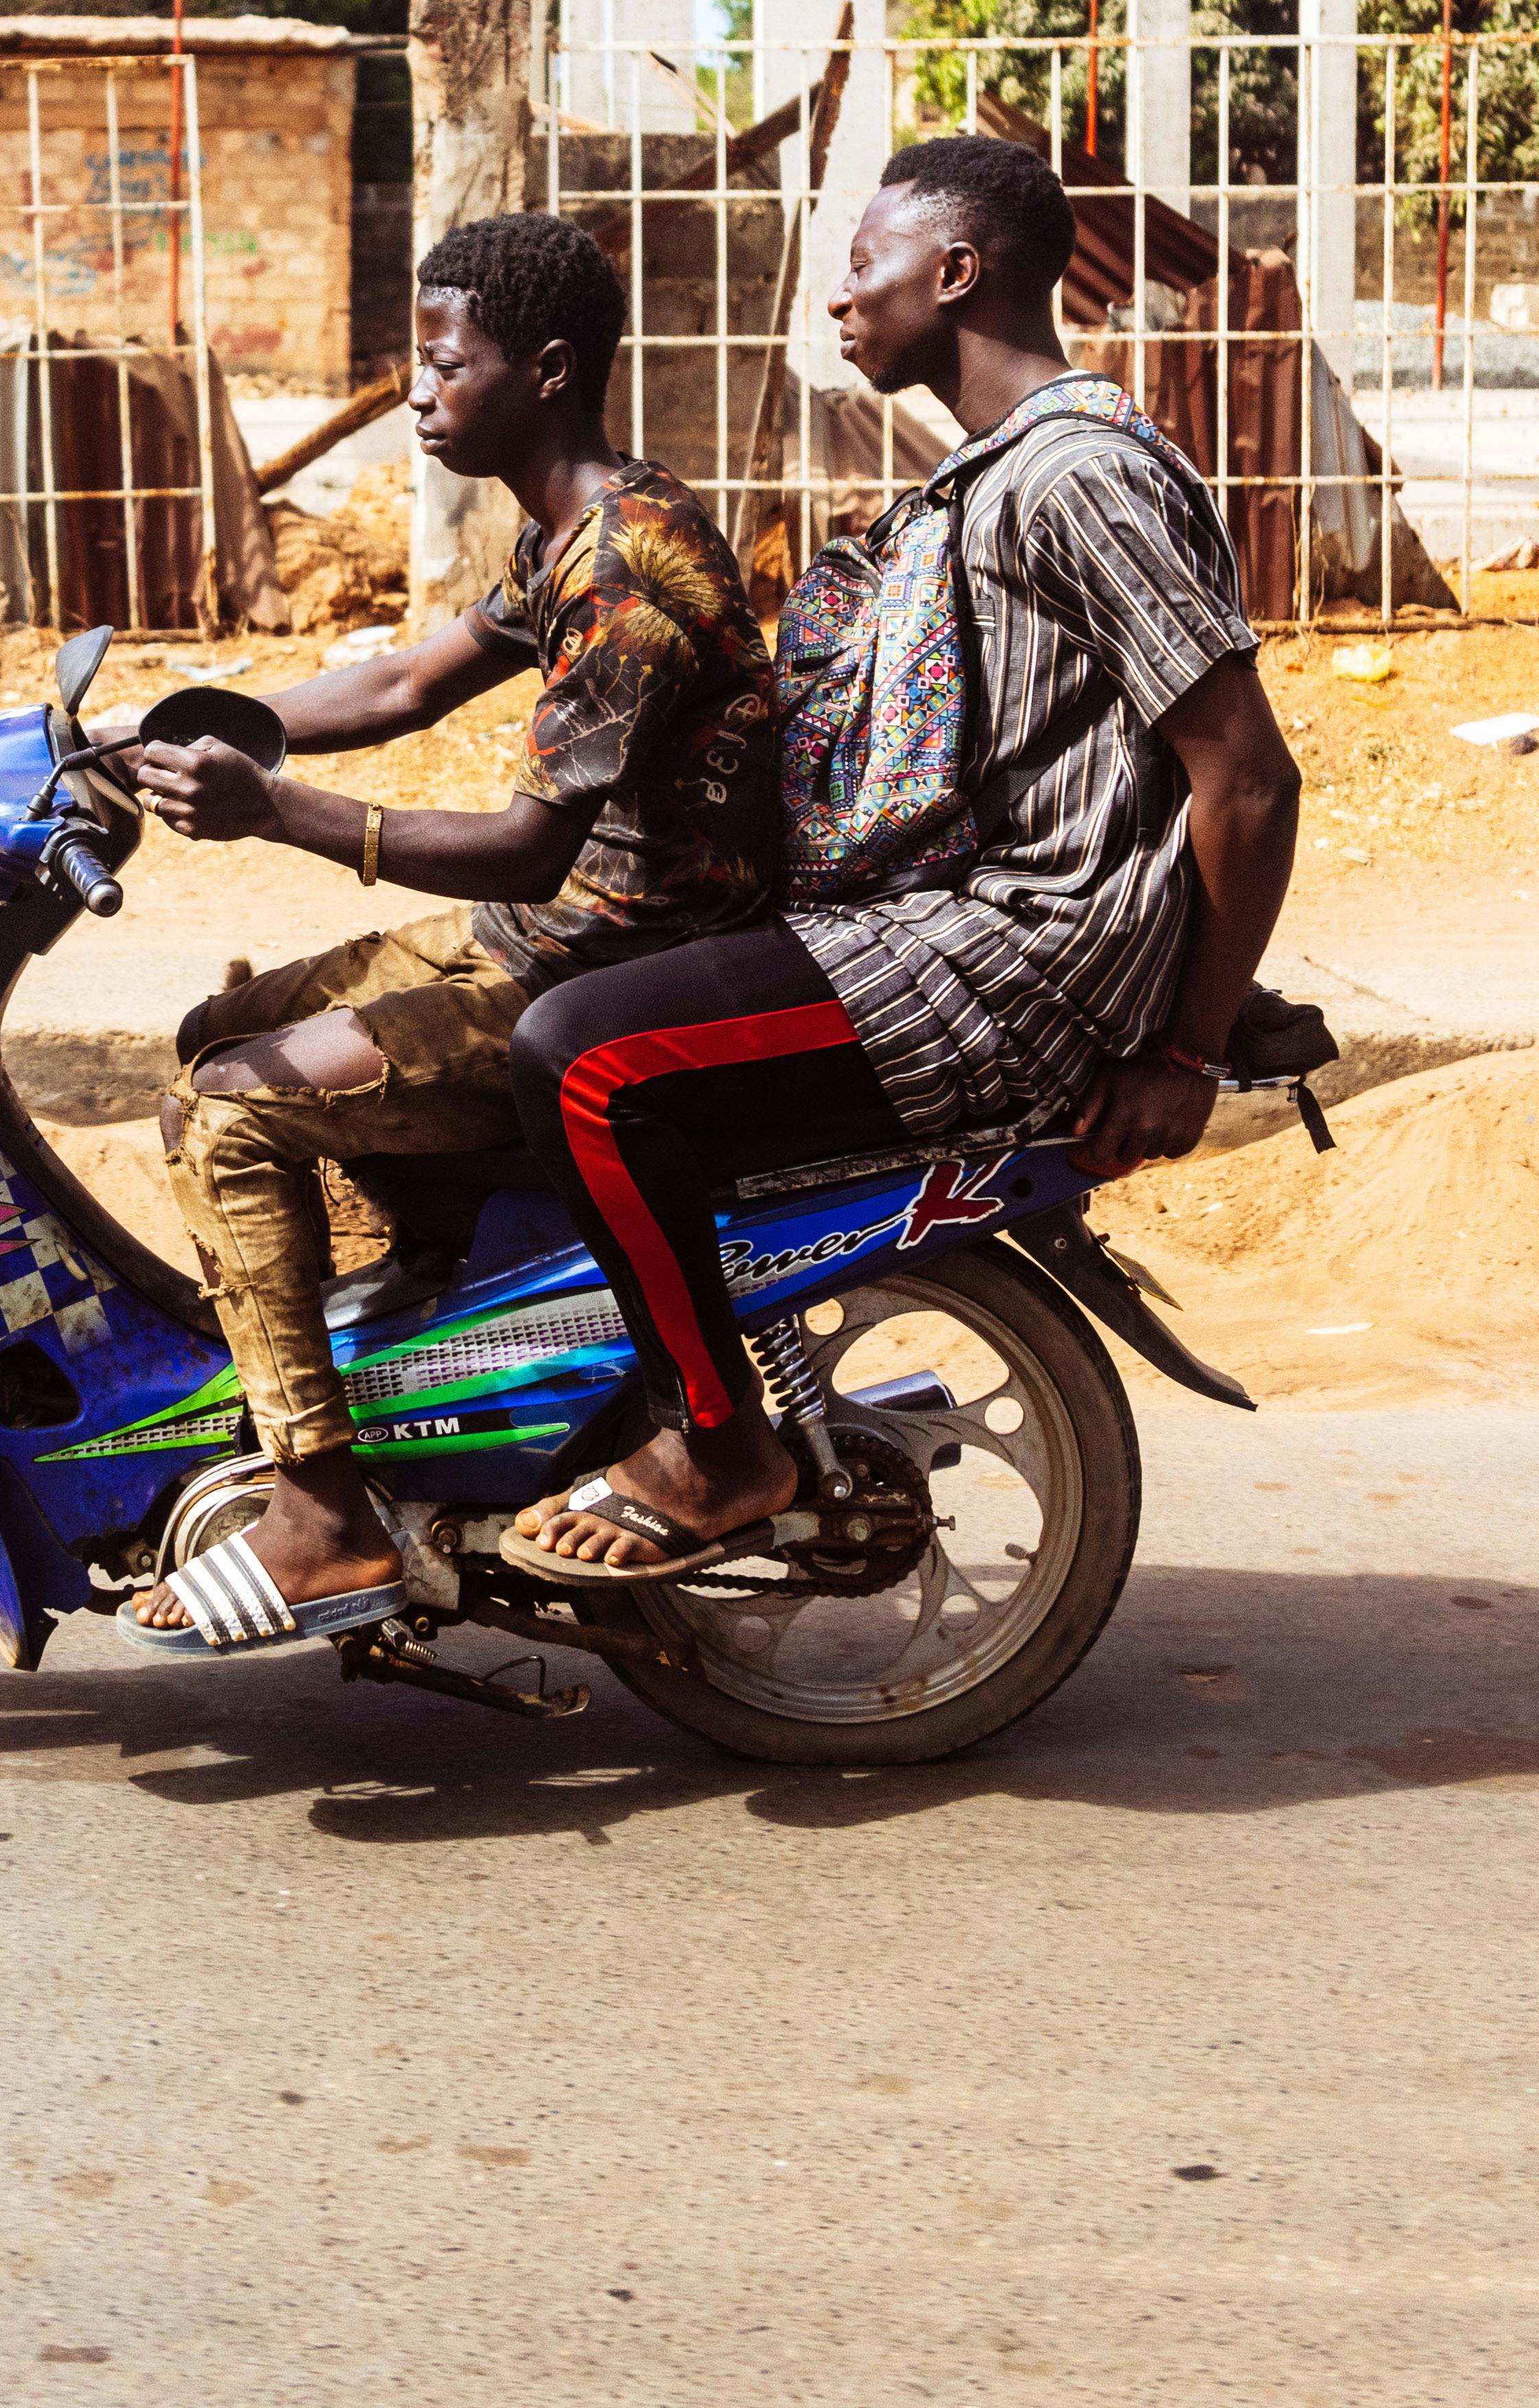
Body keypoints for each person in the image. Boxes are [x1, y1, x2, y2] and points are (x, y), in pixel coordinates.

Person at [509, 131, 1303, 1582]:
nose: (839, 296)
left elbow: (1247, 778)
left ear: (954, 272)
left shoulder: (1075, 477)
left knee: (585, 1057)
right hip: (947, 925)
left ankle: (717, 1445)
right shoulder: (985, 478)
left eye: (864, 265)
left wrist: (1183, 1053)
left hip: (1015, 954)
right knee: (589, 984)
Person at [120, 209, 779, 1651]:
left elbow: (531, 844)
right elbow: (407, 685)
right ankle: (412, 1340)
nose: (416, 392)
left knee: (224, 1113)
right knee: (218, 1031)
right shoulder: (570, 527)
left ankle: (321, 1511)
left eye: (443, 362)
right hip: (540, 933)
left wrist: (274, 811)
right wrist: (155, 727)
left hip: (600, 969)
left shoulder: (628, 566)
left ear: (546, 371)